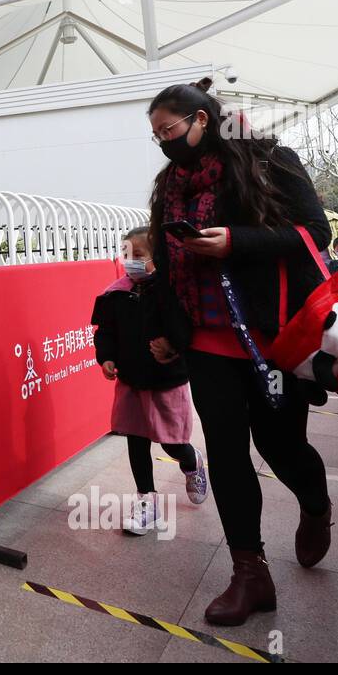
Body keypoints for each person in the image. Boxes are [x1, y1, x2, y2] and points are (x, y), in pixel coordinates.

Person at [145, 77, 333, 627]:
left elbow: (313, 234)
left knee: (281, 445)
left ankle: (317, 506)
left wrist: (235, 241)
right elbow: (160, 256)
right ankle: (250, 573)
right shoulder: (170, 184)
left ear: (203, 120)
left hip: (273, 338)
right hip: (205, 339)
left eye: (169, 129)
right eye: (155, 135)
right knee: (226, 453)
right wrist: (161, 328)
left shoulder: (271, 160)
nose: (163, 142)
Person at [91, 227, 207, 536]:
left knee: (171, 442)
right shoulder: (116, 294)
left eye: (138, 255)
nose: (130, 261)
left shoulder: (174, 292)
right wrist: (106, 358)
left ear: (159, 258)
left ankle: (191, 460)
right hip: (131, 381)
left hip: (167, 381)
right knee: (136, 439)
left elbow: (190, 330)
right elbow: (105, 332)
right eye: (126, 254)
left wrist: (173, 347)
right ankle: (146, 500)